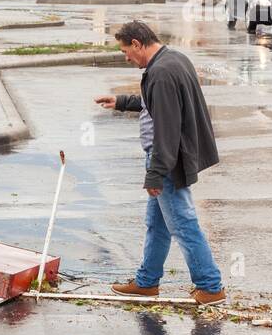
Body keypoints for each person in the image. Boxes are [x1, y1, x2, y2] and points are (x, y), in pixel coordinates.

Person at [94, 20, 224, 305]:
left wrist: (155, 173)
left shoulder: (161, 73)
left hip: (165, 160)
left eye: (126, 51)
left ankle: (210, 286)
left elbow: (167, 128)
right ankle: (146, 282)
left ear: (138, 44)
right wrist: (123, 101)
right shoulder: (173, 59)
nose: (126, 57)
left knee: (183, 223)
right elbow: (160, 103)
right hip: (168, 158)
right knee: (158, 225)